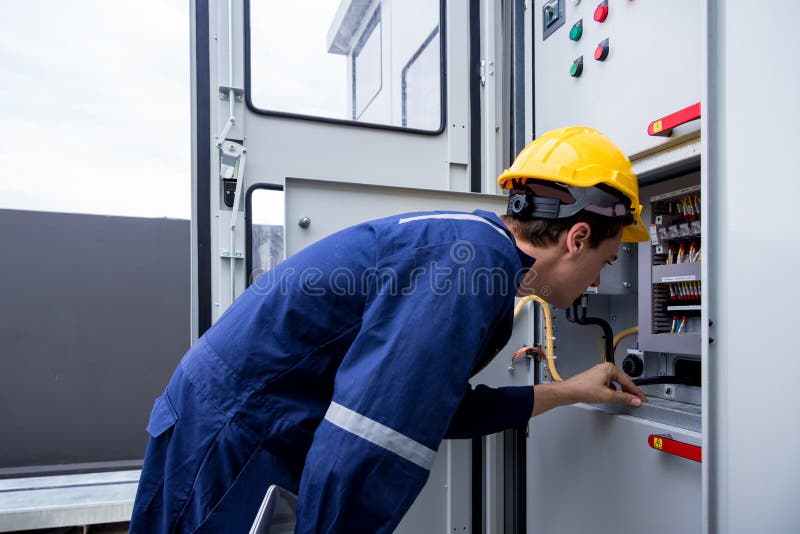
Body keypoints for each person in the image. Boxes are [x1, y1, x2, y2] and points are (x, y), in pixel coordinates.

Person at [130, 126, 650, 533]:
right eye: (606, 258)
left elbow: (429, 406)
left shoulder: (473, 253)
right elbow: (372, 438)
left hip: (230, 424)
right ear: (577, 239)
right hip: (232, 438)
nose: (602, 278)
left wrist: (564, 392)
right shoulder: (469, 270)